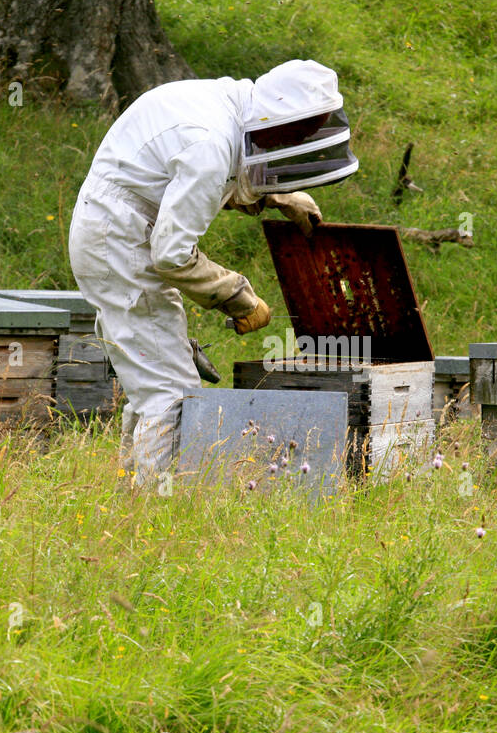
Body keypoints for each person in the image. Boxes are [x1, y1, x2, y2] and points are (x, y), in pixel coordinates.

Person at [69, 59, 358, 486]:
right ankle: (158, 508)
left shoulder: (227, 100)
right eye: (298, 133)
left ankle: (132, 494)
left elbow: (211, 175)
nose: (300, 141)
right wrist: (239, 296)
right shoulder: (209, 140)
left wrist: (276, 197)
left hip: (119, 231)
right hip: (122, 244)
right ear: (278, 120)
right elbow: (171, 254)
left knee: (152, 381)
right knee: (171, 392)